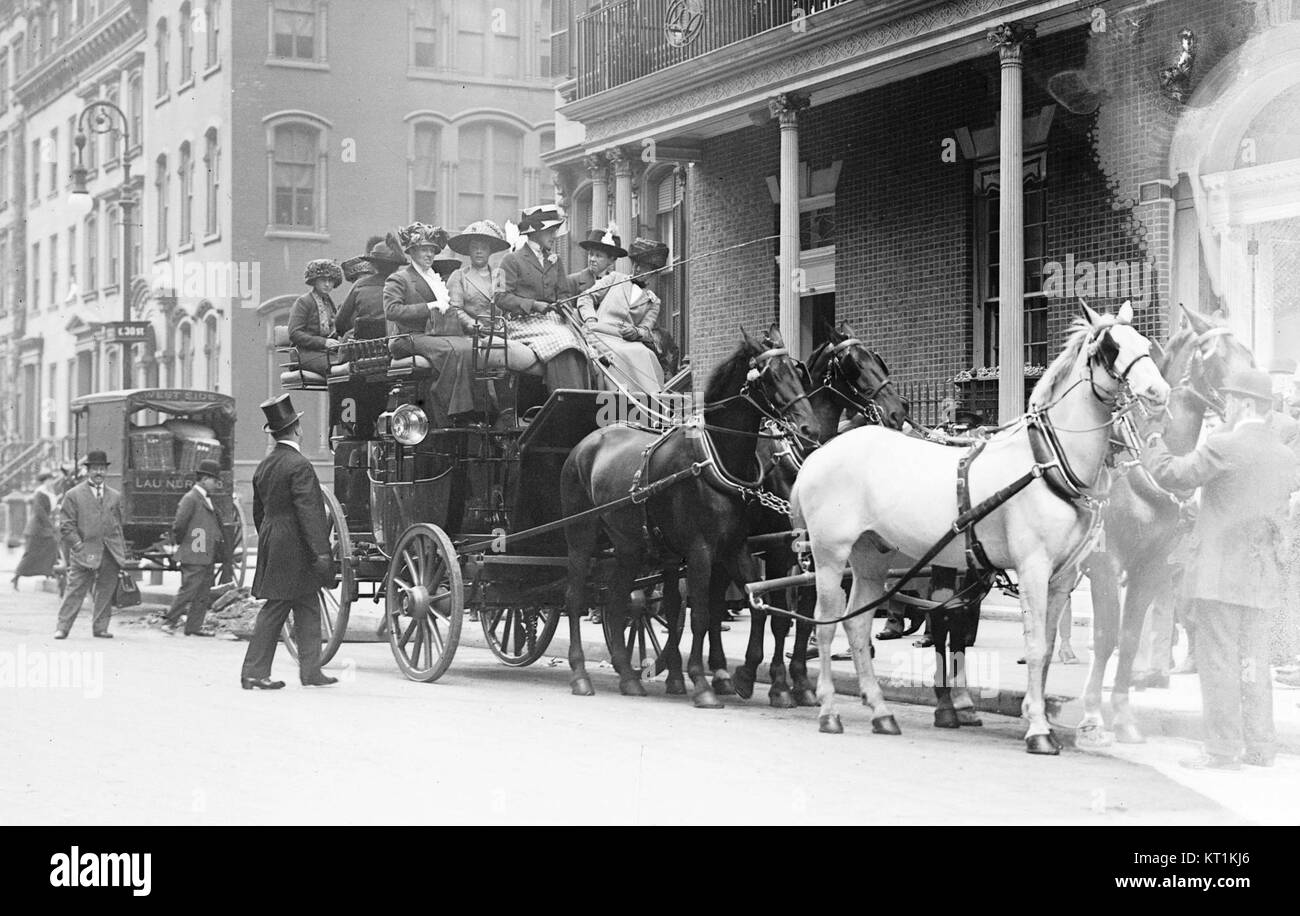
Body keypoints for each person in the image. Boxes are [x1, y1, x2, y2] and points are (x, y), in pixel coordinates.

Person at [1144, 367, 1299, 769]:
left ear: (1245, 403)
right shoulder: (1286, 456)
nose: (1226, 406)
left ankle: (1222, 750)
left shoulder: (1224, 445)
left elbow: (1172, 474)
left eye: (1230, 399)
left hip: (1218, 577)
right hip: (1261, 578)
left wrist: (1154, 440)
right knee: (1254, 665)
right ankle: (1261, 747)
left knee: (1218, 664)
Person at [240, 395, 337, 690]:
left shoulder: (265, 465)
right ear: (296, 429)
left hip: (276, 542)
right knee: (276, 608)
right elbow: (310, 513)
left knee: (307, 605)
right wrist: (321, 553)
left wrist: (272, 537)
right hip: (296, 546)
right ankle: (254, 672)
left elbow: (259, 513)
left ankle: (311, 671)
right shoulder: (299, 465)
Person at [383, 222, 482, 426]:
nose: (429, 254)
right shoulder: (400, 278)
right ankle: (444, 410)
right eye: (423, 250)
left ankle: (469, 409)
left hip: (434, 334)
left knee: (469, 347)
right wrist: (428, 306)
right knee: (449, 350)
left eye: (432, 250)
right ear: (411, 251)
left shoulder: (433, 278)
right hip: (407, 336)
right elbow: (391, 311)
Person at [494, 204, 589, 391]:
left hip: (552, 321)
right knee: (564, 342)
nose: (554, 236)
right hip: (521, 322)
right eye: (551, 231)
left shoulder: (556, 260)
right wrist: (534, 305)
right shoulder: (510, 260)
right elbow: (499, 297)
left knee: (582, 345)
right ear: (536, 232)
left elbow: (564, 295)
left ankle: (579, 401)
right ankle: (564, 403)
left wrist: (565, 307)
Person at [574, 227, 664, 393]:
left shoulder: (653, 300)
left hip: (626, 340)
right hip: (600, 334)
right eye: (635, 265)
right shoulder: (615, 278)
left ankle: (650, 401)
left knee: (647, 355)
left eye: (643, 267)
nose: (637, 269)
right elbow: (586, 297)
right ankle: (619, 398)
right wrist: (591, 319)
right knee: (622, 354)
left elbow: (646, 329)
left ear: (653, 272)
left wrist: (636, 332)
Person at [448, 220, 540, 380]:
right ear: (468, 251)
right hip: (473, 336)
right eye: (474, 248)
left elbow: (505, 304)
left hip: (502, 333)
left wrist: (506, 322)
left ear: (490, 251)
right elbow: (454, 309)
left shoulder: (499, 275)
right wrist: (474, 325)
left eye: (483, 248)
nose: (478, 252)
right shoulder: (459, 276)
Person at [55, 450, 128, 639]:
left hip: (110, 551)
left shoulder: (115, 496)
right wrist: (78, 545)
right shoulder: (74, 495)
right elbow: (66, 525)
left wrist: (121, 549)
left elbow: (118, 524)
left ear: (106, 471)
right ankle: (62, 627)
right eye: (95, 468)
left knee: (106, 590)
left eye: (102, 469)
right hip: (84, 551)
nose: (99, 472)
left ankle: (100, 628)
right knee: (76, 589)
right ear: (88, 471)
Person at [161, 459, 227, 637]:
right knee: (189, 589)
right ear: (204, 479)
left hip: (205, 554)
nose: (216, 484)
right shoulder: (190, 498)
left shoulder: (204, 498)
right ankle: (169, 621)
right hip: (194, 553)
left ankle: (194, 626)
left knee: (203, 592)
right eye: (214, 480)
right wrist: (187, 545)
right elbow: (179, 525)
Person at [336, 235, 405, 339]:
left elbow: (340, 323)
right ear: (397, 266)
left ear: (373, 263)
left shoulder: (359, 285)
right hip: (395, 345)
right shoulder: (404, 285)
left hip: (363, 346)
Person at [287, 259, 345, 376]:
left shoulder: (328, 303)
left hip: (324, 352)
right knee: (335, 368)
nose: (327, 284)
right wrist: (323, 342)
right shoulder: (304, 302)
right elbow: (294, 333)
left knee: (349, 364)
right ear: (314, 281)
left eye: (331, 281)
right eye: (323, 280)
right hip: (304, 353)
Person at [12, 472, 61, 590]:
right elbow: (40, 512)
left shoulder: (49, 493)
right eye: (49, 480)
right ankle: (17, 576)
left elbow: (51, 509)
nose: (51, 482)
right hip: (36, 529)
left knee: (52, 546)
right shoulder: (40, 493)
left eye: (52, 480)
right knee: (31, 554)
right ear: (44, 481)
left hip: (43, 528)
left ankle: (49, 571)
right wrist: (51, 525)